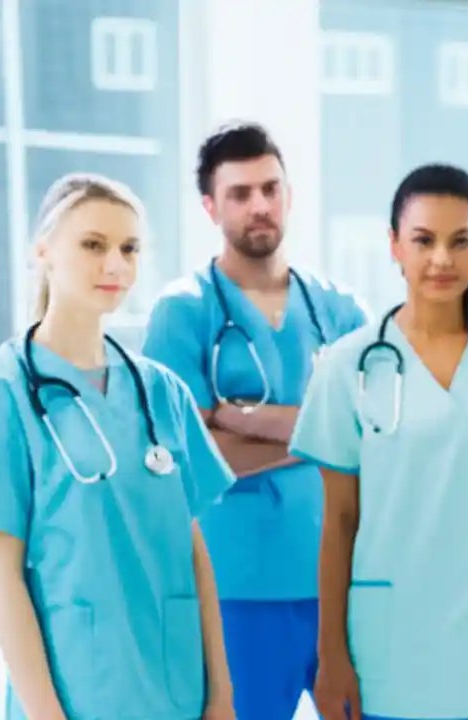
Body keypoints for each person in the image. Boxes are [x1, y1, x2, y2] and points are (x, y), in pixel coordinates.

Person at [288, 164, 468, 720]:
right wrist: (331, 656)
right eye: (423, 240)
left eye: (459, 241)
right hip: (391, 652)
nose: (442, 258)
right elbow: (338, 522)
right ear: (394, 246)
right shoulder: (348, 367)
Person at [143, 121, 369, 719]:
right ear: (210, 206)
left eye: (270, 188)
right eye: (240, 194)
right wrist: (323, 433)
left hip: (343, 583)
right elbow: (190, 461)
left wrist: (250, 421)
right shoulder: (183, 312)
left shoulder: (339, 308)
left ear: (290, 196)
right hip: (235, 591)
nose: (259, 205)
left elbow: (374, 432)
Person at [0, 173, 236, 719]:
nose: (116, 266)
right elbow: (0, 577)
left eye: (129, 248)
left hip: (176, 689)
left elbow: (194, 553)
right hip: (77, 694)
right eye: (93, 245)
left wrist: (221, 695)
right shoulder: (8, 391)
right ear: (44, 252)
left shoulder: (161, 392)